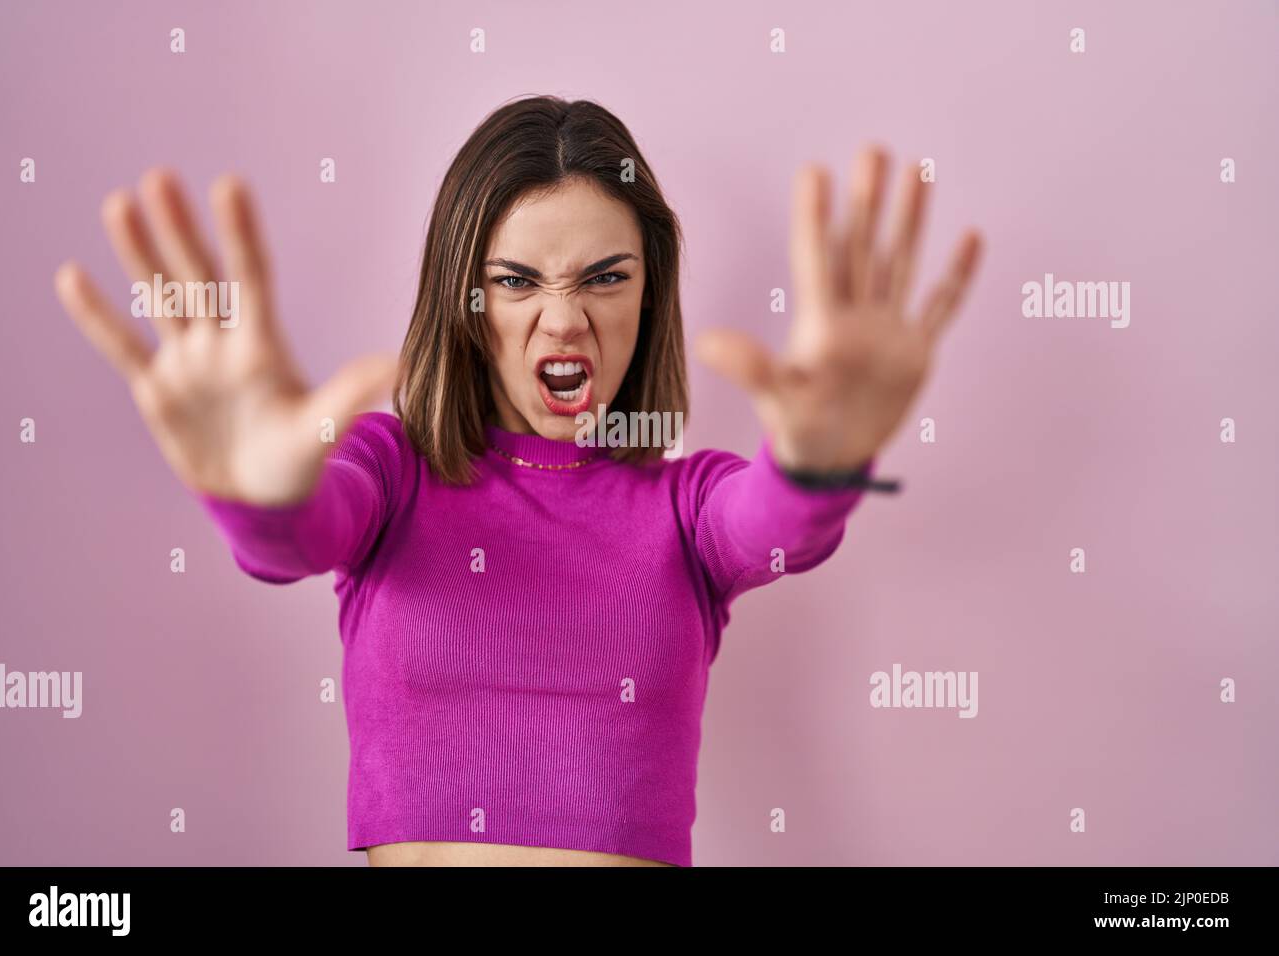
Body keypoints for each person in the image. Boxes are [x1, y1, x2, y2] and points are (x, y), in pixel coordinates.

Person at [53, 95, 981, 867]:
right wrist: (259, 495)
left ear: (649, 294)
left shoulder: (686, 509)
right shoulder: (392, 471)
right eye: (518, 281)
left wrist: (822, 462)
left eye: (605, 278)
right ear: (466, 300)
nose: (564, 318)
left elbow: (774, 522)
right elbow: (299, 536)